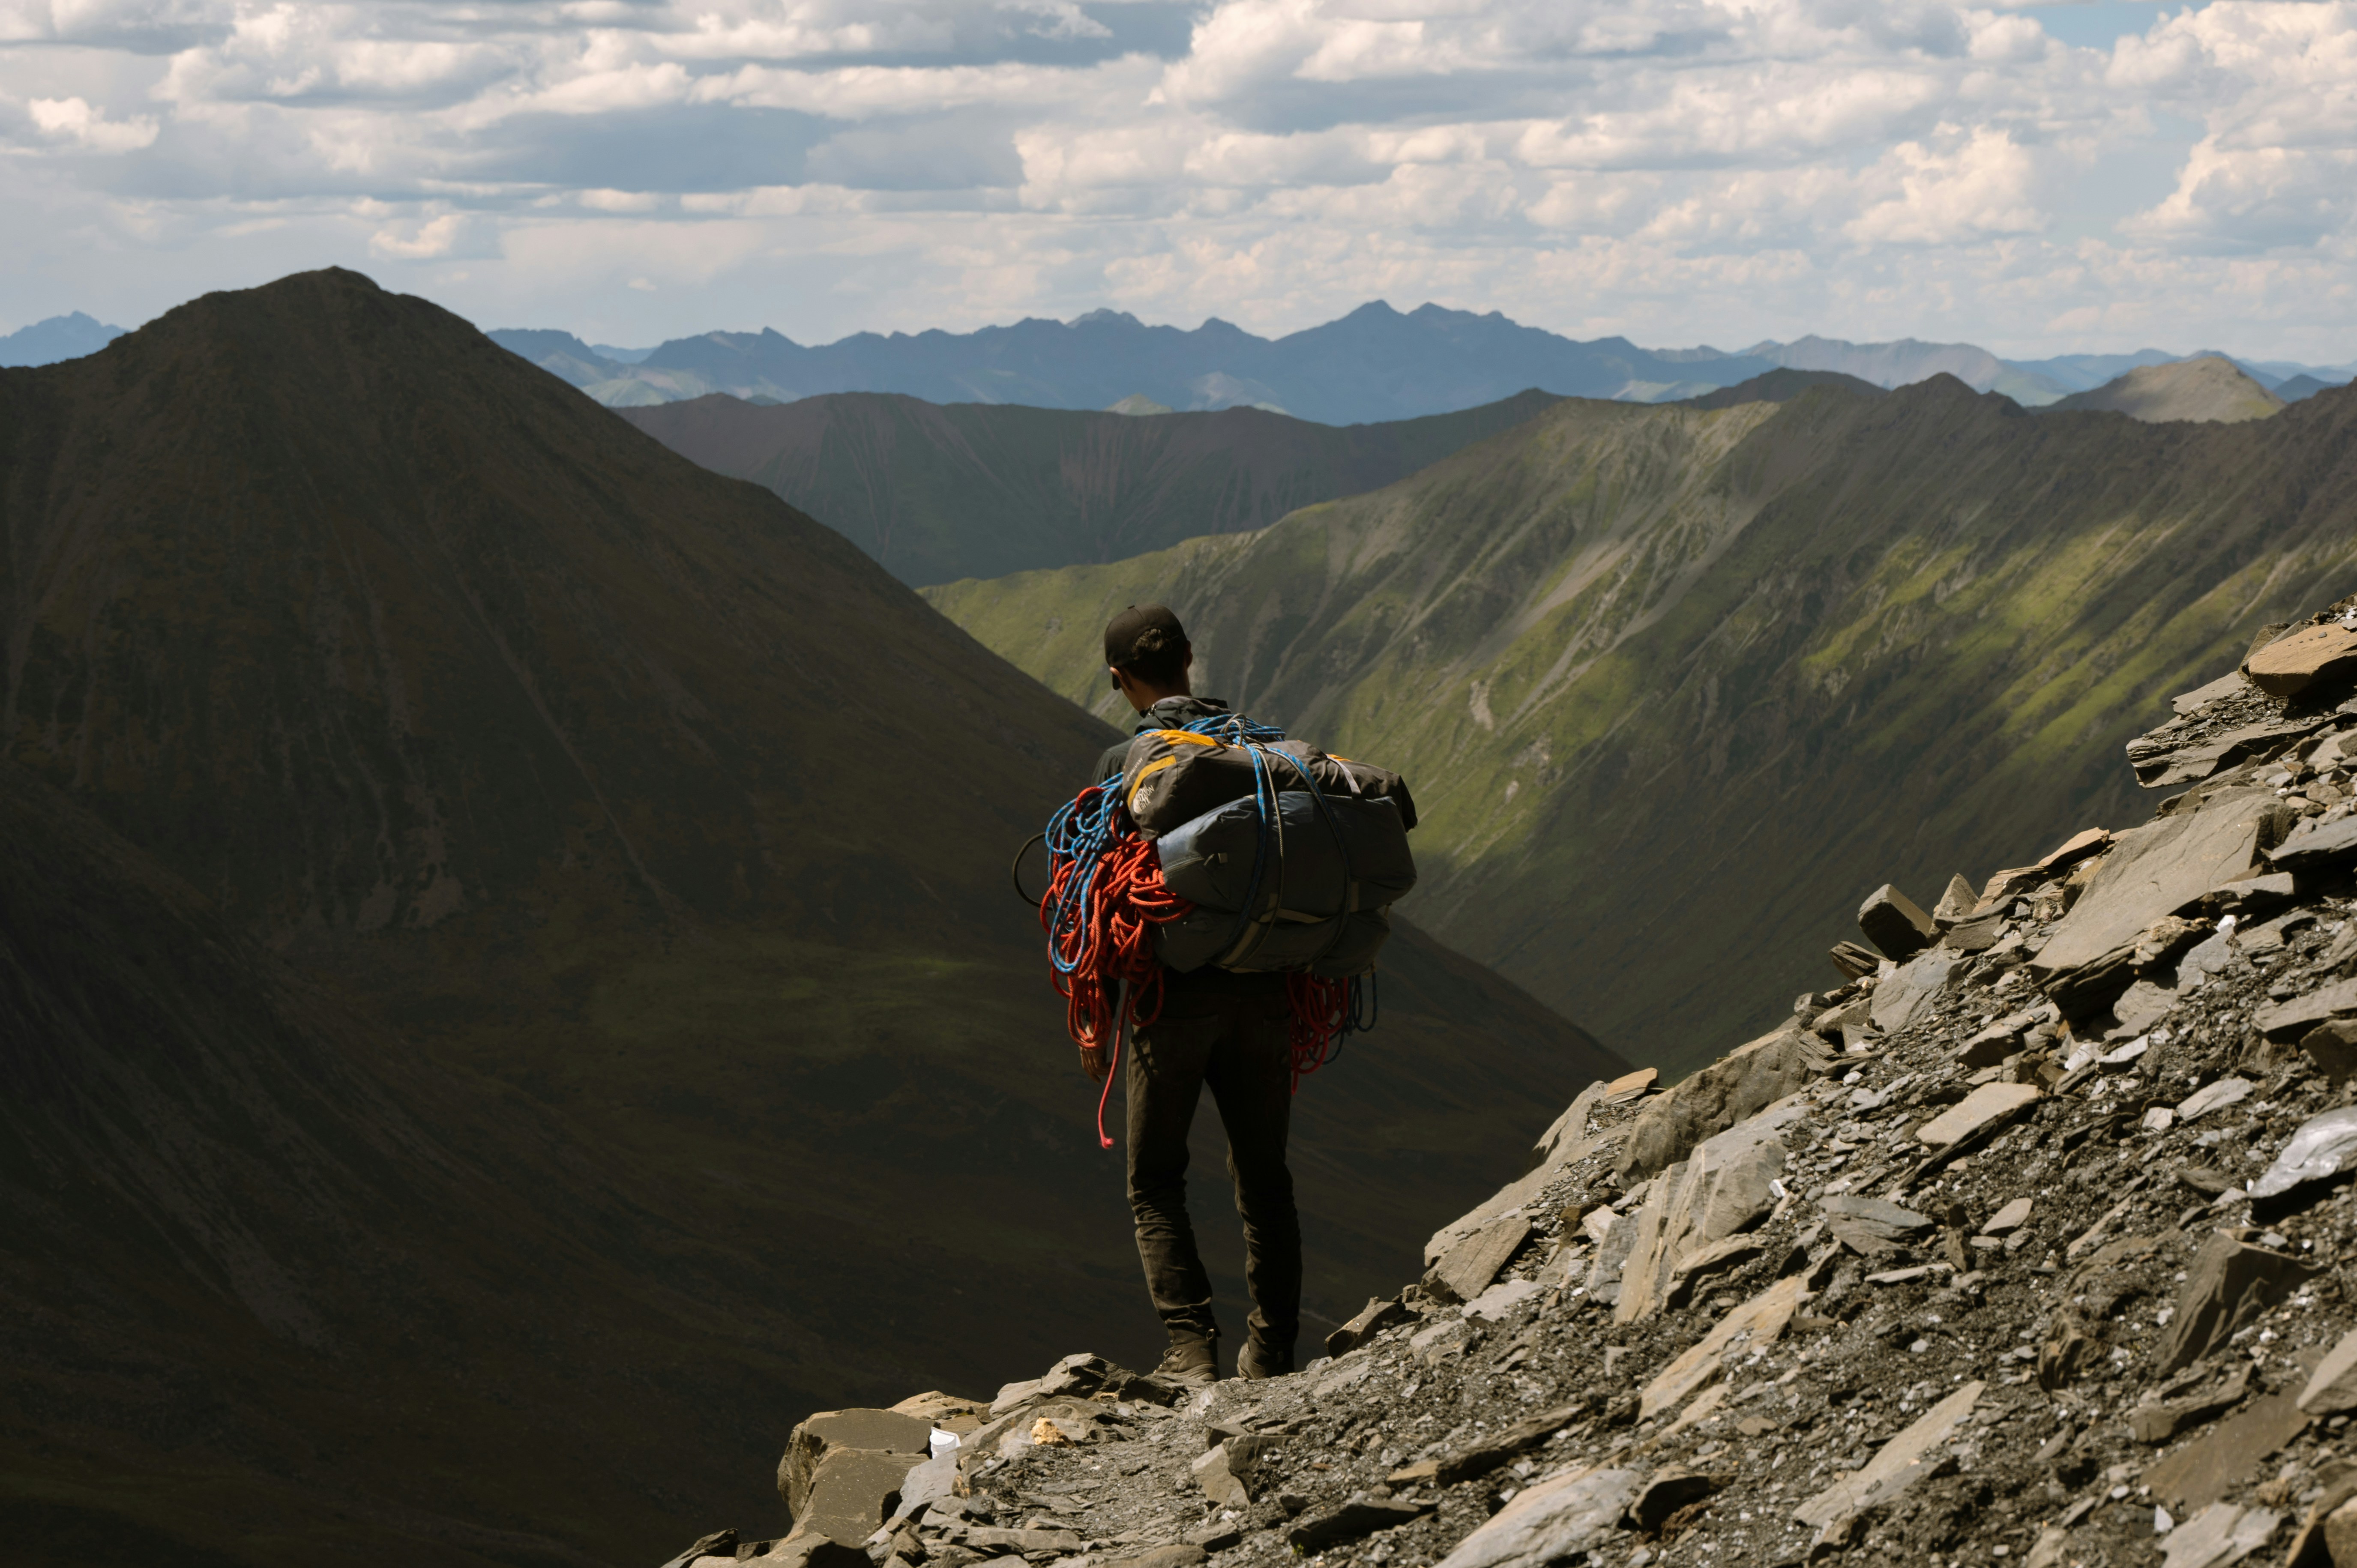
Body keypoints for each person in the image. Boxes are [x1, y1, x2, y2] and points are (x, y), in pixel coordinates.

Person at [1082, 603, 1299, 1388]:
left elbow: (1099, 895)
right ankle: (1271, 1353)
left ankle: (1189, 1354)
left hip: (1170, 1001)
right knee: (1264, 1174)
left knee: (1155, 1180)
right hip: (1265, 988)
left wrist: (1098, 1007)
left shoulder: (1125, 761)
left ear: (1119, 680)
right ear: (1189, 658)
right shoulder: (1263, 750)